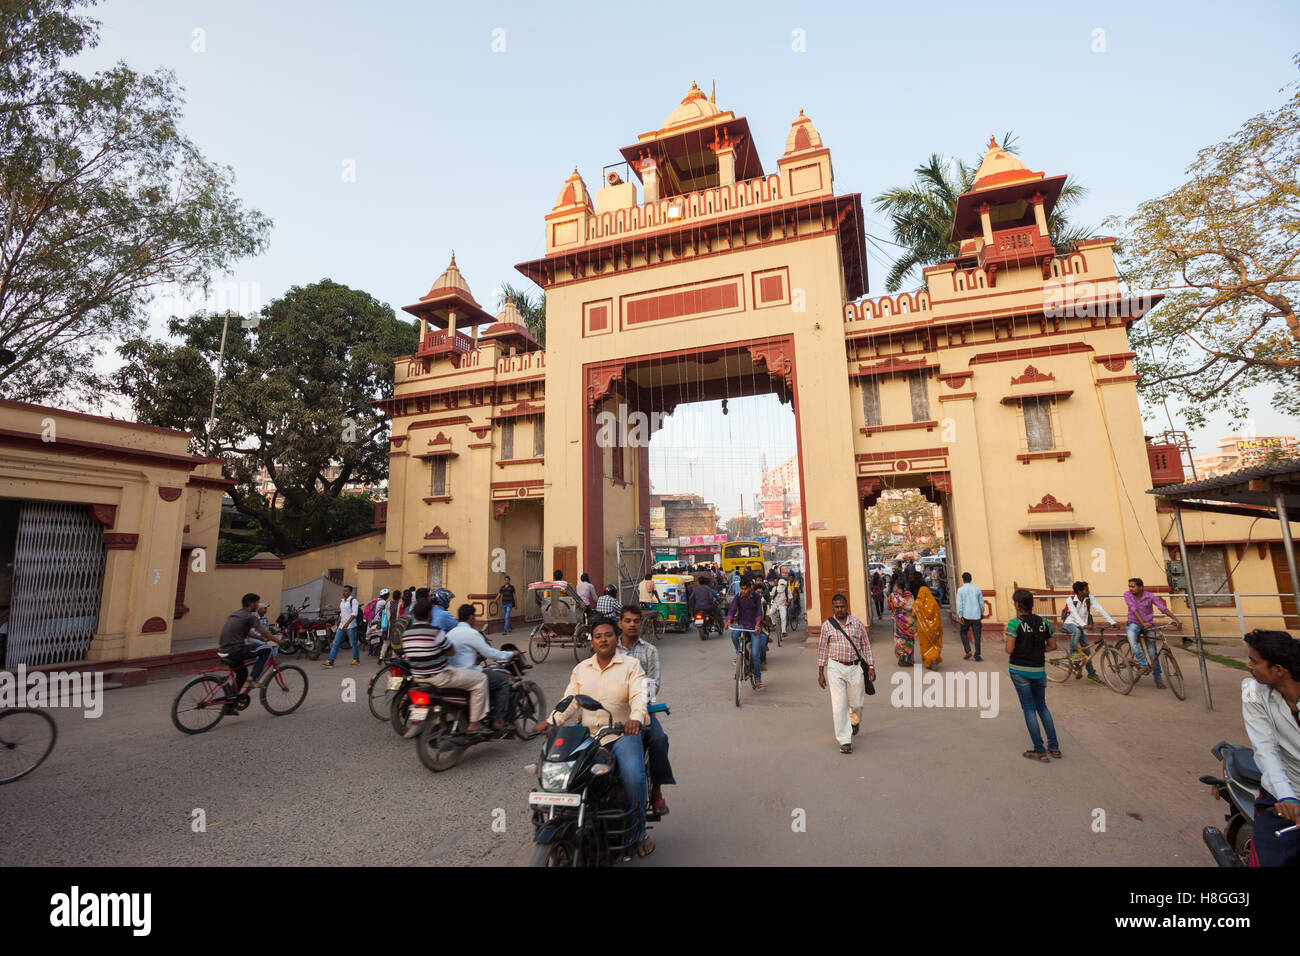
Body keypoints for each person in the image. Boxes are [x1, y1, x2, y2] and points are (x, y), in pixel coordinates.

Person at [534, 618, 654, 858]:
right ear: (592, 640)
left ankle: (638, 833)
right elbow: (569, 701)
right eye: (598, 636)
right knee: (564, 774)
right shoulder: (581, 669)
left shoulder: (631, 665)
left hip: (621, 735)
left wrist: (636, 718)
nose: (603, 640)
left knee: (632, 774)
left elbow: (640, 694)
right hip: (588, 737)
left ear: (616, 638)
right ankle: (566, 827)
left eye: (608, 635)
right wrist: (551, 721)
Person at [1241, 629, 1300, 866]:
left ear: (1279, 669)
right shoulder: (1254, 694)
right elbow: (1266, 749)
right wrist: (1287, 797)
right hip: (1282, 794)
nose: (1248, 665)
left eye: (1255, 662)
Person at [400, 599, 490, 738]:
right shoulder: (435, 632)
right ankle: (474, 723)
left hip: (418, 678)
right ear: (429, 614)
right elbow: (451, 651)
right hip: (440, 677)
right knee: (481, 679)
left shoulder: (406, 635)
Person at [616, 604, 675, 815]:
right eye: (628, 621)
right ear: (620, 623)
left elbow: (653, 684)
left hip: (642, 710)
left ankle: (657, 790)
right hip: (613, 709)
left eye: (636, 621)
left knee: (659, 740)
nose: (632, 625)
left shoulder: (650, 650)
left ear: (641, 624)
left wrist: (638, 707)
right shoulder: (610, 648)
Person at [1005, 588, 1060, 762]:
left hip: (1019, 670)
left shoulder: (1015, 623)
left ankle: (1039, 749)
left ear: (1017, 605)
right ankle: (1054, 746)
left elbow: (1009, 649)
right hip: (1038, 670)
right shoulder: (1044, 623)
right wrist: (1037, 649)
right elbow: (1052, 646)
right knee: (1042, 707)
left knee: (1029, 709)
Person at [817, 593, 874, 754]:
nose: (840, 609)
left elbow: (866, 646)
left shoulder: (857, 624)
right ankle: (845, 740)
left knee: (857, 704)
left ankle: (854, 721)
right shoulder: (827, 626)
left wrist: (871, 667)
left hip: (855, 668)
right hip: (835, 668)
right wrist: (821, 672)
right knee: (838, 705)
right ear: (833, 607)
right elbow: (822, 649)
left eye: (842, 606)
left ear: (847, 607)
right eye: (837, 607)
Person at [447, 603, 517, 730]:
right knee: (503, 681)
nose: (475, 619)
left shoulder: (450, 633)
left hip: (452, 674)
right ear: (470, 617)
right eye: (474, 616)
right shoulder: (471, 633)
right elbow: (490, 653)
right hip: (469, 673)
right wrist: (510, 654)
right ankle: (499, 719)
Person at [218, 593, 280, 709]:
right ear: (252, 604)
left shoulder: (236, 614)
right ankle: (253, 680)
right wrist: (279, 641)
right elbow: (264, 632)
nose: (258, 606)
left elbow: (248, 632)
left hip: (223, 651)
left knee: (242, 674)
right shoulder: (250, 616)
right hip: (235, 650)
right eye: (257, 603)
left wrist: (260, 639)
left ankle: (229, 705)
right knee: (267, 649)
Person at [1124, 577, 1182, 690]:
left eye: (1133, 586)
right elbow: (1133, 609)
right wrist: (1142, 623)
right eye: (1129, 586)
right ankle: (1143, 664)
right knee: (1132, 640)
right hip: (1134, 623)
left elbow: (1163, 608)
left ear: (1141, 587)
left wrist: (1176, 619)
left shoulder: (1150, 596)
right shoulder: (1127, 595)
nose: (1130, 589)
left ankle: (1158, 679)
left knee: (1152, 652)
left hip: (1149, 624)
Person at [1063, 580, 1115, 686]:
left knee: (1087, 652)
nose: (1088, 591)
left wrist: (1111, 621)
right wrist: (1083, 625)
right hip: (1070, 623)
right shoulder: (1070, 600)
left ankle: (1091, 674)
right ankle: (1075, 657)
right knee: (1077, 632)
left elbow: (1100, 609)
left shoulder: (1089, 598)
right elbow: (1074, 614)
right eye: (1086, 590)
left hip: (1083, 625)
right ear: (1079, 591)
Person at [726, 579, 768, 689]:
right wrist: (728, 620)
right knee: (734, 635)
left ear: (750, 588)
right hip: (742, 625)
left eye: (745, 589)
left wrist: (758, 624)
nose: (743, 591)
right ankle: (742, 655)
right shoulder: (738, 596)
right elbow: (732, 608)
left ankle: (758, 677)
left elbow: (759, 611)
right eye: (742, 589)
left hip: (754, 627)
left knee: (755, 654)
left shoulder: (756, 597)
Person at [327, 584, 360, 667]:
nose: (344, 592)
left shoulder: (353, 601)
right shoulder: (342, 601)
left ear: (350, 592)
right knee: (335, 643)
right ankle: (330, 661)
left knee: (353, 644)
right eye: (343, 591)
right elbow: (342, 614)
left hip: (351, 626)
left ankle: (356, 659)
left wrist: (347, 623)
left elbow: (354, 614)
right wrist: (338, 623)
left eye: (346, 591)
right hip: (342, 626)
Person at [888, 576, 917, 666]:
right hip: (909, 620)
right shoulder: (910, 594)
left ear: (896, 585)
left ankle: (902, 656)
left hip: (899, 621)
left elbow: (889, 607)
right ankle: (909, 659)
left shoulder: (893, 595)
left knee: (900, 639)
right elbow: (913, 607)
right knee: (909, 639)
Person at [955, 572, 984, 661]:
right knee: (977, 635)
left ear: (963, 580)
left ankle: (968, 651)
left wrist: (960, 616)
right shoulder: (977, 589)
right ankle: (977, 655)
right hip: (976, 615)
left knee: (963, 633)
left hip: (966, 616)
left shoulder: (960, 590)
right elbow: (981, 604)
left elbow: (959, 604)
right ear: (971, 579)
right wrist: (981, 613)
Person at [915, 580, 943, 669]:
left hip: (922, 629)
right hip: (935, 629)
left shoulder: (917, 604)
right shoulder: (934, 603)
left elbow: (913, 615)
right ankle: (934, 656)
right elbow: (938, 616)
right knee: (933, 644)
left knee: (925, 645)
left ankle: (928, 661)